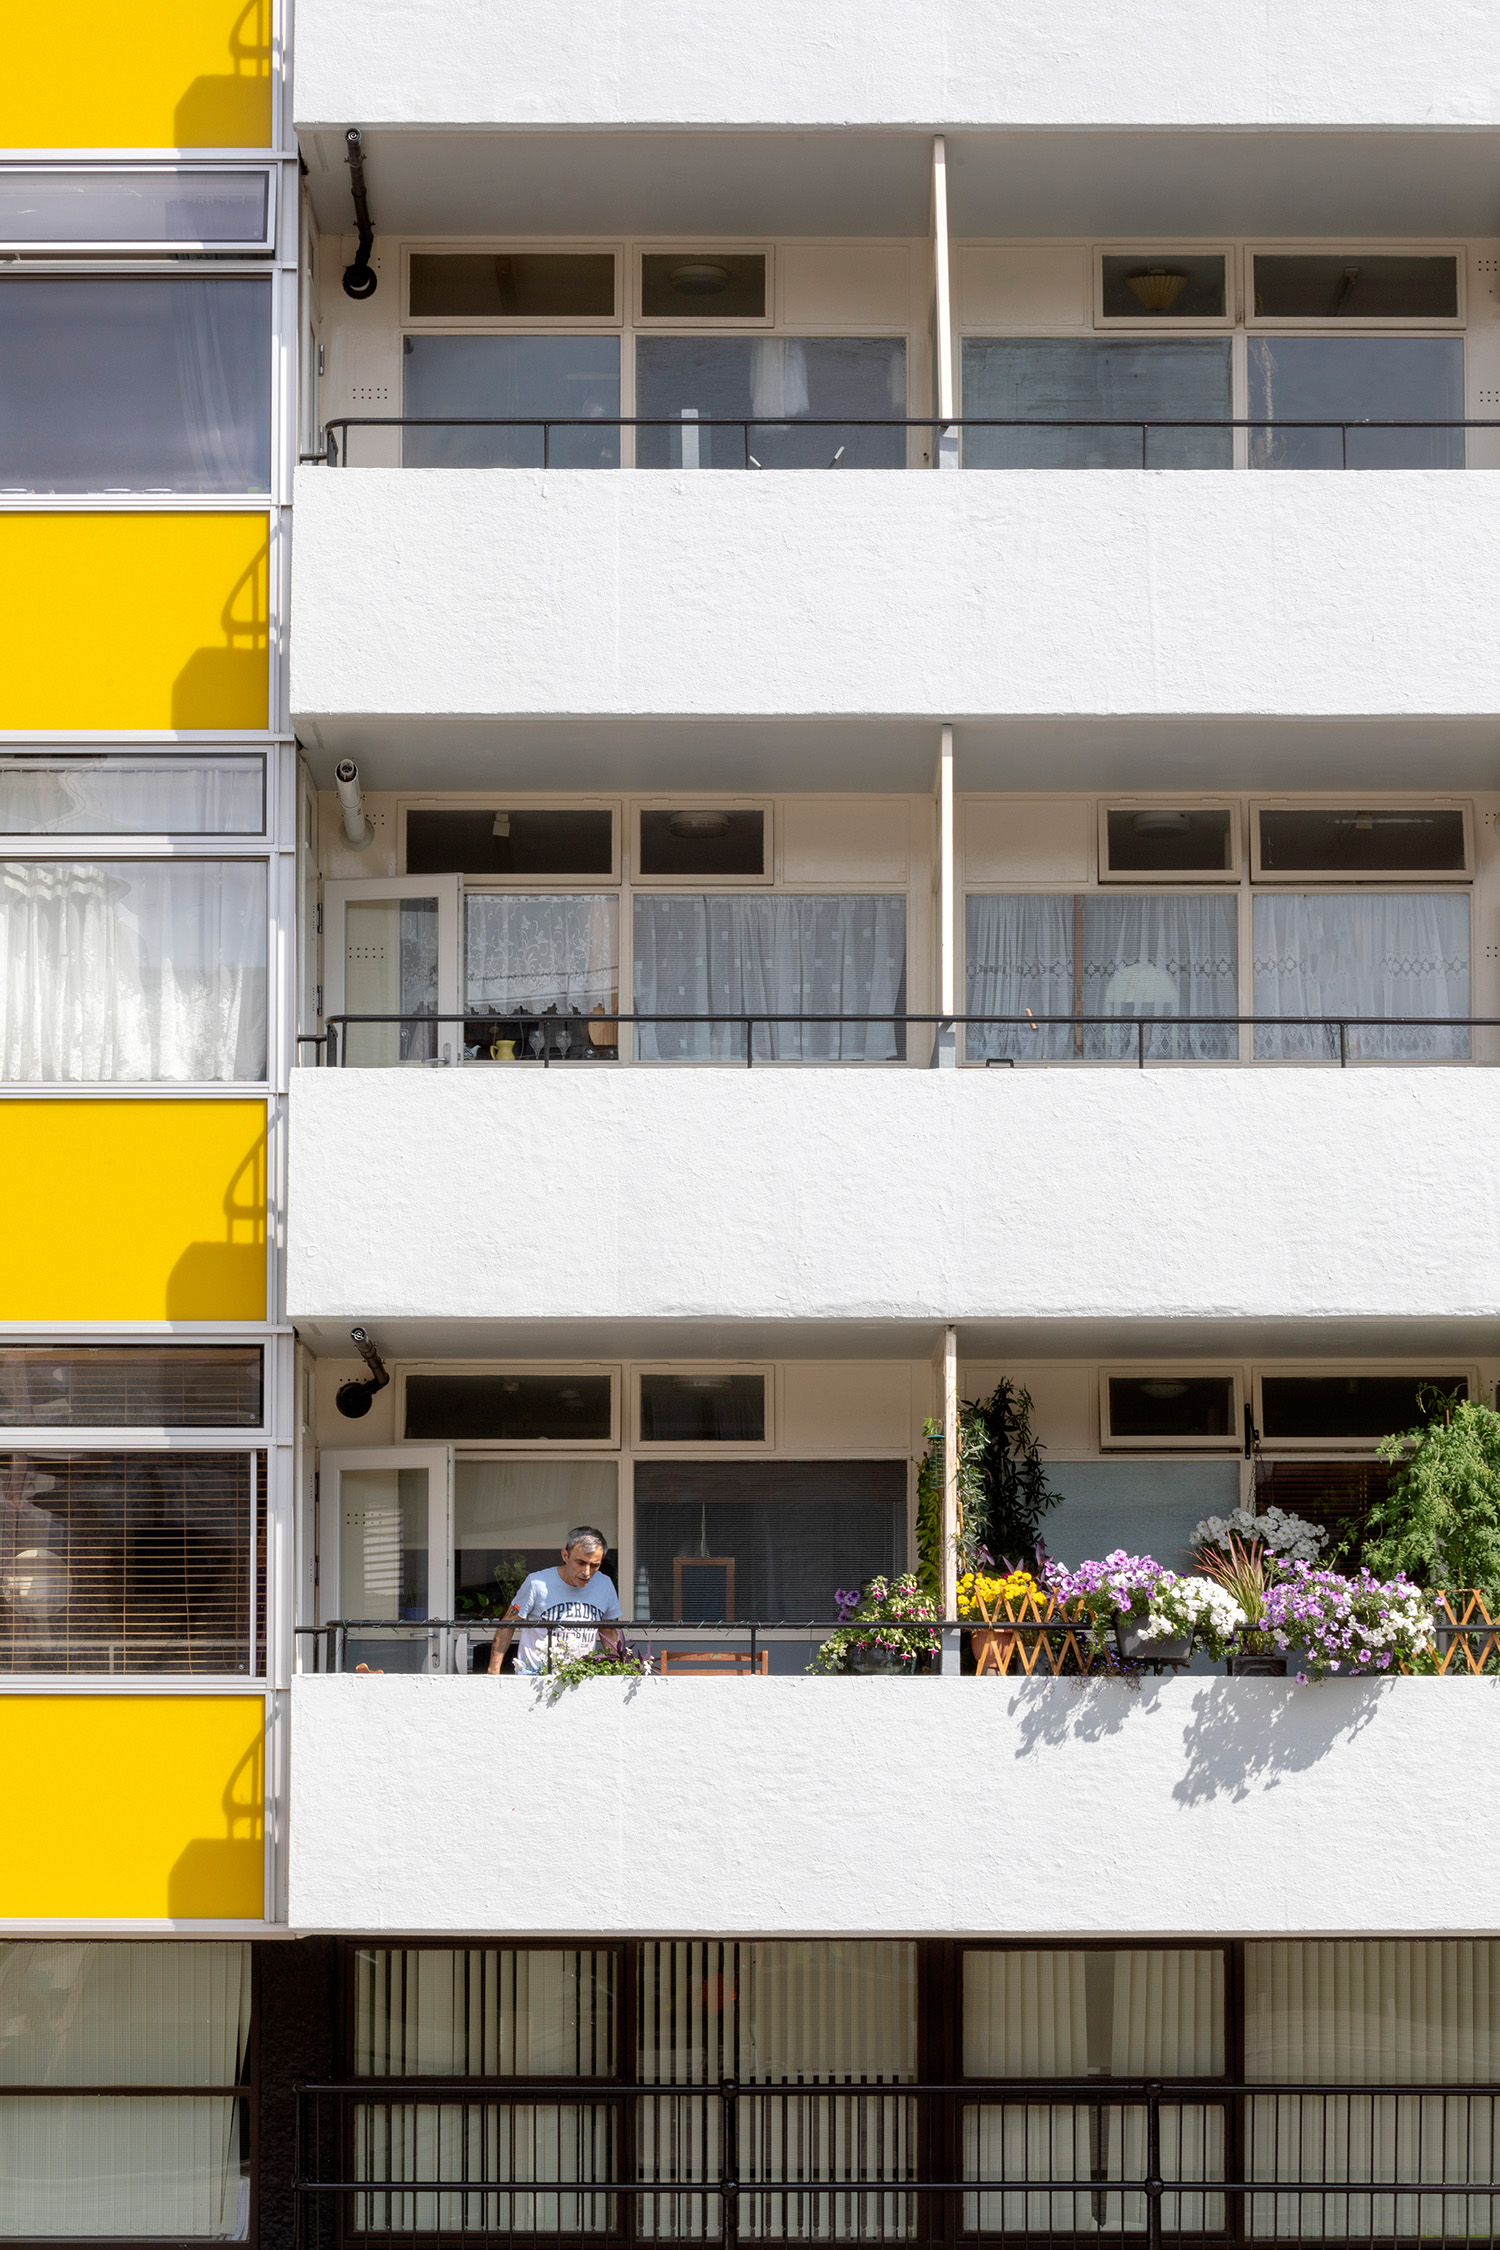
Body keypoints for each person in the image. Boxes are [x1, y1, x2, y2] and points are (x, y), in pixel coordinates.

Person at [486, 1527, 624, 1675]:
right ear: (565, 1555)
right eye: (580, 1562)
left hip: (580, 1677)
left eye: (595, 1565)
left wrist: (620, 1674)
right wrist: (493, 1673)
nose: (587, 1572)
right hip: (535, 1677)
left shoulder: (604, 1584)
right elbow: (507, 1625)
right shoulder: (537, 1583)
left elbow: (608, 1631)